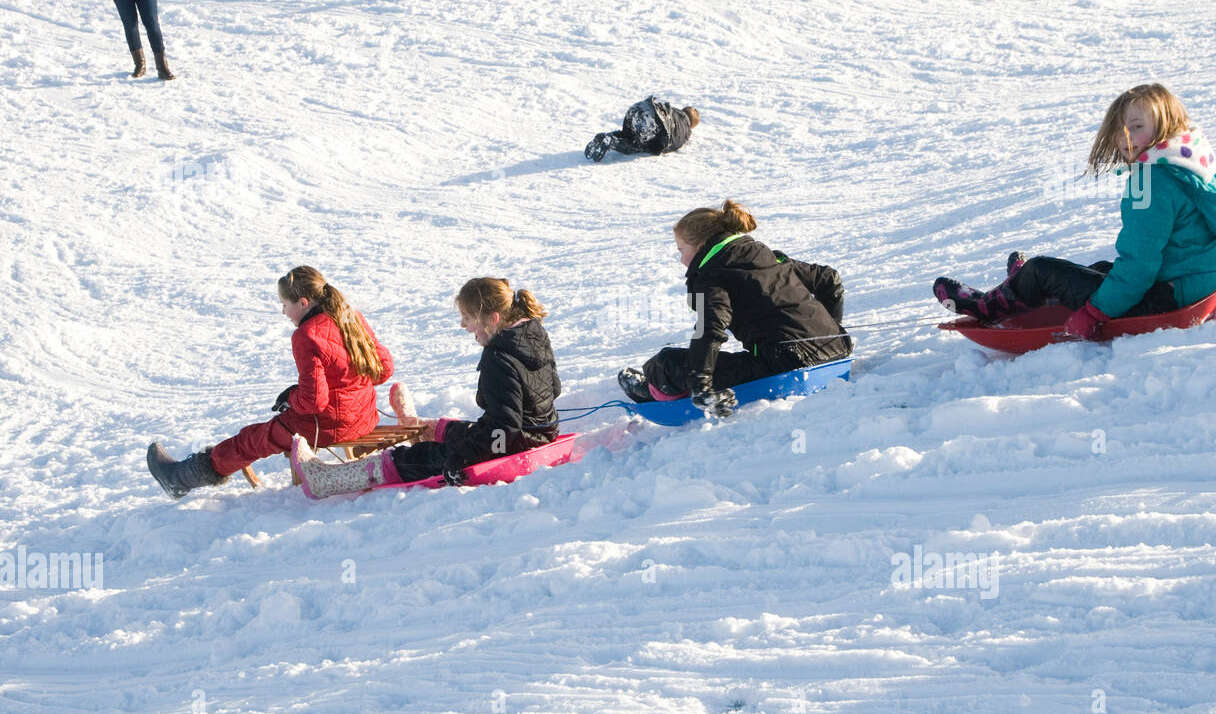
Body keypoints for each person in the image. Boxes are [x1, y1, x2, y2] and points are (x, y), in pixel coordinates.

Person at [933, 83, 1216, 340]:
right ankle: (1023, 285)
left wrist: (1094, 313)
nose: (1125, 138)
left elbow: (1140, 265)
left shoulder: (1150, 181)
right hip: (1195, 286)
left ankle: (990, 304)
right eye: (1121, 130)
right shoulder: (1190, 162)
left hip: (1165, 299)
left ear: (1165, 125)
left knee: (1043, 269)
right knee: (1102, 269)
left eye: (1137, 127)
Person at [291, 278, 562, 498]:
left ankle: (325, 480)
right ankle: (415, 425)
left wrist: (461, 458)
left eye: (467, 318)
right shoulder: (533, 336)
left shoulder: (498, 356)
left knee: (418, 458)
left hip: (510, 444)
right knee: (465, 431)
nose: (463, 326)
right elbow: (554, 389)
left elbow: (503, 428)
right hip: (540, 434)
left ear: (492, 318)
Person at [146, 267, 394, 498]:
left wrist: (291, 398)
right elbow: (384, 370)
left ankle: (180, 479)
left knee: (252, 439)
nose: (284, 312)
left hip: (328, 425)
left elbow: (313, 402)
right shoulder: (352, 318)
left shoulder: (307, 336)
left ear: (303, 303)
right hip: (364, 417)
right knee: (260, 434)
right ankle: (187, 474)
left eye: (285, 304)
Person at [619, 200, 852, 417]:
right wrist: (831, 331)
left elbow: (710, 326)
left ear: (700, 246)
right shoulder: (766, 256)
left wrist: (701, 384)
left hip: (789, 366)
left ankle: (655, 391)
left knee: (666, 363)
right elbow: (829, 279)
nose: (681, 260)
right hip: (838, 353)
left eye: (682, 251)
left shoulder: (711, 276)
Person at [585, 97, 699, 163]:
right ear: (692, 126)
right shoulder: (685, 130)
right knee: (636, 145)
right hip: (654, 121)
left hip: (639, 107)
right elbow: (672, 142)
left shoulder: (673, 111)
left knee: (629, 134)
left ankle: (607, 137)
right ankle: (611, 142)